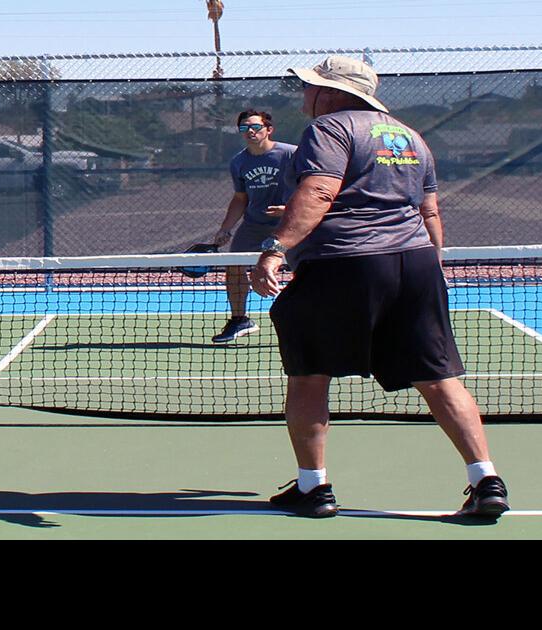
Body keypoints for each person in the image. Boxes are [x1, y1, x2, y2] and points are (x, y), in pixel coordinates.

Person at [249, 56, 509, 519]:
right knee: (439, 378)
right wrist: (432, 268)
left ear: (331, 92)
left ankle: (314, 488)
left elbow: (320, 192)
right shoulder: (410, 136)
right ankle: (486, 480)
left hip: (343, 264)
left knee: (310, 375)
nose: (305, 93)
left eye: (310, 86)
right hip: (417, 262)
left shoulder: (328, 128)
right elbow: (428, 211)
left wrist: (275, 248)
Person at [210, 110, 296, 342]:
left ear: (269, 130)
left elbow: (312, 186)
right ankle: (240, 319)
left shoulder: (291, 154)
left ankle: (314, 317)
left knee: (306, 267)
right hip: (254, 225)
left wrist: (290, 209)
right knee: (234, 265)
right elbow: (240, 198)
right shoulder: (239, 162)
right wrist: (225, 228)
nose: (250, 131)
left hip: (290, 224)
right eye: (244, 128)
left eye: (255, 127)